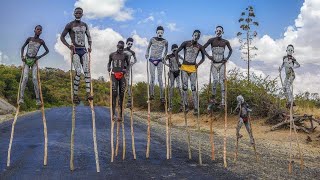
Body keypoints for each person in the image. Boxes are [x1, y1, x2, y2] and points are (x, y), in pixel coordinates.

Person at [60, 7, 93, 104]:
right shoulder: (70, 25)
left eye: (80, 13)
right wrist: (68, 46)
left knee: (87, 71)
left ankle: (88, 94)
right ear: (74, 14)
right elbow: (62, 37)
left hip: (83, 50)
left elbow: (89, 36)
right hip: (75, 50)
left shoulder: (85, 25)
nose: (78, 14)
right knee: (78, 71)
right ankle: (75, 95)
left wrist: (90, 46)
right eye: (77, 12)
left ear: (82, 14)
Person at [176, 30, 205, 116]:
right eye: (195, 35)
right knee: (184, 87)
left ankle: (196, 108)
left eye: (198, 36)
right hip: (184, 67)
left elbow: (203, 58)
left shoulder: (200, 46)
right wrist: (178, 63)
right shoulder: (186, 43)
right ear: (192, 35)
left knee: (193, 87)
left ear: (199, 37)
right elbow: (177, 52)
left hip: (193, 68)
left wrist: (198, 64)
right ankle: (186, 106)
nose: (196, 37)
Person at [19, 25, 49, 105]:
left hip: (34, 61)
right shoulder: (29, 39)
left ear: (41, 32)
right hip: (27, 60)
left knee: (35, 79)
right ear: (34, 30)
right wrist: (22, 57)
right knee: (25, 78)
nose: (39, 31)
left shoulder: (41, 41)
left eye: (40, 30)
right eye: (37, 29)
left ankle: (37, 99)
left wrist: (39, 57)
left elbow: (47, 51)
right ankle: (21, 98)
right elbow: (22, 48)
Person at [203, 26, 232, 109]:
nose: (218, 32)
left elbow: (231, 50)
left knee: (222, 81)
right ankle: (213, 99)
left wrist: (226, 58)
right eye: (217, 30)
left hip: (222, 63)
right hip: (214, 63)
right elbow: (203, 48)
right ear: (215, 31)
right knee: (215, 80)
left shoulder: (225, 42)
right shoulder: (211, 40)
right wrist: (208, 56)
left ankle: (223, 102)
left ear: (222, 32)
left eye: (220, 31)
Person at [145, 26, 168, 103]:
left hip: (159, 60)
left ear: (163, 33)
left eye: (161, 33)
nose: (160, 34)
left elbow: (166, 50)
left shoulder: (165, 41)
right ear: (156, 32)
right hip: (152, 59)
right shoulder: (152, 39)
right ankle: (151, 95)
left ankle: (162, 97)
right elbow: (148, 47)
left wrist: (164, 56)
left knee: (160, 78)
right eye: (159, 32)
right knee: (152, 77)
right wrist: (147, 53)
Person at [108, 41, 130, 120]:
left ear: (123, 47)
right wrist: (108, 68)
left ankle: (120, 115)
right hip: (114, 74)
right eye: (119, 47)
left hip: (121, 75)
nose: (120, 49)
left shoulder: (125, 55)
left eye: (121, 48)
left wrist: (125, 70)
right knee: (114, 94)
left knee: (122, 94)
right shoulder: (112, 54)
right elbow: (109, 63)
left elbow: (128, 65)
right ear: (117, 46)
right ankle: (113, 114)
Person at [164, 44, 184, 112]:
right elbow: (163, 60)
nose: (175, 51)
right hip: (171, 72)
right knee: (171, 88)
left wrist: (182, 65)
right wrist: (167, 65)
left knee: (179, 87)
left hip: (178, 72)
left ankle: (182, 104)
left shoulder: (178, 56)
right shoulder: (169, 56)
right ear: (172, 50)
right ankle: (170, 106)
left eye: (176, 50)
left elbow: (184, 60)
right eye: (174, 50)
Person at [124, 38, 137, 108]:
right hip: (121, 68)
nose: (130, 45)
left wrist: (132, 64)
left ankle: (129, 101)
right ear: (126, 43)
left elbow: (135, 60)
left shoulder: (132, 52)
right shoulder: (122, 50)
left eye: (131, 44)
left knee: (127, 84)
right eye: (129, 43)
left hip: (127, 69)